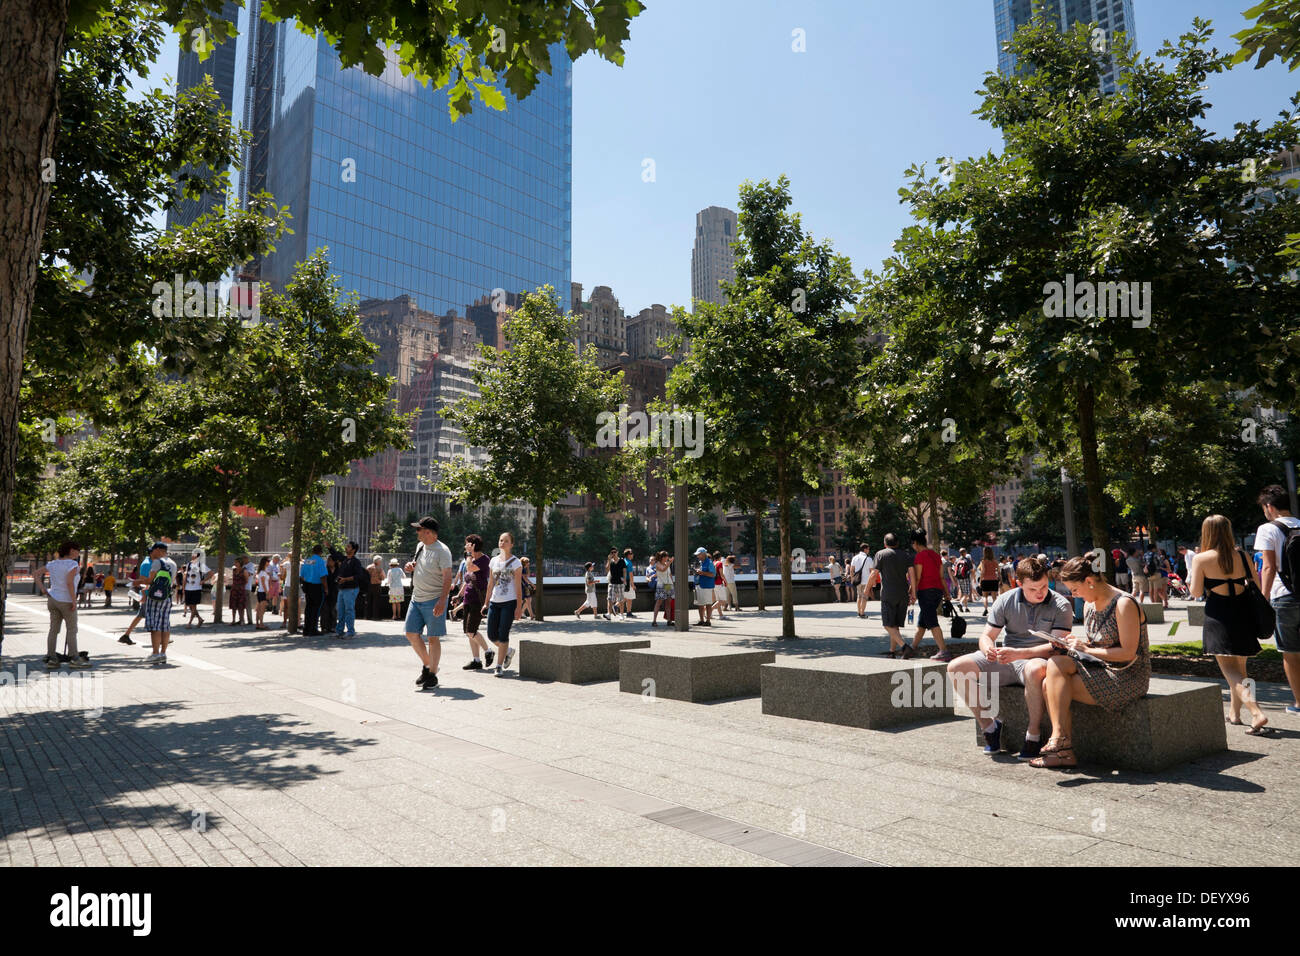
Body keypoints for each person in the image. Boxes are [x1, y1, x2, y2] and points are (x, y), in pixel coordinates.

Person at [947, 555, 1073, 760]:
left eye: (1043, 586)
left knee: (1036, 669)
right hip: (1006, 658)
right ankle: (989, 726)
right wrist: (988, 649)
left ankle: (1033, 734)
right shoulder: (1006, 599)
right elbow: (987, 635)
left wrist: (1018, 653)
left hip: (1036, 659)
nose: (1040, 592)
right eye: (1033, 589)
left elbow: (1055, 647)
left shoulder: (1061, 604)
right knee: (956, 667)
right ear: (1019, 583)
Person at [1031, 554, 1151, 768]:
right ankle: (1060, 741)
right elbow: (1097, 644)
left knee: (1050, 683)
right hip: (1102, 669)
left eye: (1075, 590)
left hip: (1128, 676)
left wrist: (1086, 648)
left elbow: (1127, 653)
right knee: (1054, 667)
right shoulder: (1089, 606)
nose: (1074, 596)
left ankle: (1062, 746)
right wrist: (1075, 644)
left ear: (1090, 582)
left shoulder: (1123, 604)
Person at [1188, 515, 1270, 734]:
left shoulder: (1201, 559)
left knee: (1231, 673)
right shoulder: (1242, 556)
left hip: (1218, 615)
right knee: (1241, 670)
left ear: (1207, 533)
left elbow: (1195, 592)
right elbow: (1257, 584)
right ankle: (1235, 714)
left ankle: (1256, 713)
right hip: (1243, 614)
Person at [1256, 484, 1300, 715]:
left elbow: (1269, 567)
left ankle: (1299, 703)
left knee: (1291, 653)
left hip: (1284, 596)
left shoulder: (1267, 529)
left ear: (1269, 506)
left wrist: (1263, 600)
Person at [405, 516, 454, 689]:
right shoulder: (421, 546)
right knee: (410, 633)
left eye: (418, 529)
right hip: (416, 598)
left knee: (433, 639)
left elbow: (448, 577)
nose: (416, 532)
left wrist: (442, 601)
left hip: (434, 599)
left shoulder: (443, 551)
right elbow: (419, 564)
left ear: (428, 532)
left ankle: (432, 676)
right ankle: (429, 665)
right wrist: (411, 566)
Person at [35, 542, 89, 670]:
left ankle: (52, 658)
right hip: (66, 600)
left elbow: (35, 573)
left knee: (53, 629)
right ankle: (74, 658)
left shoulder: (53, 564)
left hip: (53, 598)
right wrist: (74, 601)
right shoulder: (72, 564)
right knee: (71, 629)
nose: (78, 553)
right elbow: (70, 583)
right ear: (71, 550)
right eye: (77, 550)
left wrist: (43, 589)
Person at [483, 531, 523, 676]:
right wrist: (486, 603)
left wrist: (519, 607)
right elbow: (491, 583)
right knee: (492, 635)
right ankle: (508, 651)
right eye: (500, 540)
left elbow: (518, 587)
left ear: (511, 544)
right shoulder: (493, 561)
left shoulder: (516, 563)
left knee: (503, 634)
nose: (502, 543)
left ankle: (498, 666)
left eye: (506, 541)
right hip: (495, 601)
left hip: (509, 602)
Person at [906, 531, 950, 662]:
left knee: (931, 621)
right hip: (937, 591)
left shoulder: (919, 556)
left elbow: (918, 577)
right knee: (922, 622)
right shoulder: (936, 556)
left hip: (926, 591)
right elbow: (941, 577)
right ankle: (912, 648)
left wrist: (911, 592)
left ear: (915, 543)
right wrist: (946, 592)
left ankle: (943, 651)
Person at [871, 534, 912, 656]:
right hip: (903, 593)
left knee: (887, 624)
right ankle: (892, 651)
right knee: (895, 625)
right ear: (897, 543)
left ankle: (904, 647)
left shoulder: (881, 554)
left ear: (885, 544)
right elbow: (912, 575)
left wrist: (866, 590)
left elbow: (874, 574)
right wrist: (913, 591)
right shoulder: (906, 555)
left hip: (888, 594)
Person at [460, 535, 494, 669]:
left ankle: (488, 651)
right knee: (469, 632)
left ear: (473, 545)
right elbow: (468, 579)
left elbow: (470, 568)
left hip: (478, 600)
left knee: (471, 630)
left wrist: (468, 554)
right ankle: (476, 660)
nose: (465, 547)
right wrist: (459, 595)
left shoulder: (484, 560)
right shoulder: (472, 559)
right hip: (468, 598)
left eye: (467, 544)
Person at [142, 542, 178, 665]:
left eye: (153, 551)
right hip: (167, 597)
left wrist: (135, 582)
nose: (152, 553)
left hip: (155, 598)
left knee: (155, 625)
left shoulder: (158, 562)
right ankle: (163, 653)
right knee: (165, 625)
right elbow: (171, 582)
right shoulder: (173, 563)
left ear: (158, 550)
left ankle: (155, 653)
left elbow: (149, 580)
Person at [334, 541, 365, 639]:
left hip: (351, 589)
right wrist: (329, 547)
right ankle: (339, 631)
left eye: (348, 546)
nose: (346, 548)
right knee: (340, 610)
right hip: (342, 589)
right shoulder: (344, 559)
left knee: (349, 610)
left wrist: (345, 579)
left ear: (353, 550)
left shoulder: (356, 562)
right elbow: (335, 554)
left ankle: (350, 631)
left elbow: (359, 576)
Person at [299, 546, 327, 636]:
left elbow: (302, 575)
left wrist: (306, 584)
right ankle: (313, 629)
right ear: (321, 552)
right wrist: (326, 588)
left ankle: (306, 629)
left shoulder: (307, 560)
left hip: (308, 586)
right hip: (317, 587)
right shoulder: (320, 561)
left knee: (308, 608)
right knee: (316, 609)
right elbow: (323, 576)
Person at [179, 551, 207, 628]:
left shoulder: (201, 565)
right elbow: (185, 576)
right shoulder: (189, 564)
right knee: (191, 606)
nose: (192, 556)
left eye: (194, 555)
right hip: (188, 588)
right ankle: (200, 619)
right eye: (192, 555)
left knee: (193, 606)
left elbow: (211, 573)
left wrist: (203, 581)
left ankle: (189, 623)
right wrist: (184, 588)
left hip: (196, 588)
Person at [693, 547, 715, 625]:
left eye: (698, 554)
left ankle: (708, 621)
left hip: (707, 586)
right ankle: (701, 620)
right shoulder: (699, 562)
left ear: (703, 554)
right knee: (700, 604)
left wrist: (702, 573)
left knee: (708, 603)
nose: (697, 556)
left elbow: (713, 574)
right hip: (698, 585)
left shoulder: (709, 562)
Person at [851, 543, 873, 619]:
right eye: (868, 549)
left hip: (857, 580)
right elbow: (871, 571)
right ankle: (862, 613)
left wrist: (852, 579)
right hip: (866, 581)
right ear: (865, 549)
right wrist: (873, 582)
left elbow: (852, 570)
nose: (869, 550)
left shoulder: (855, 558)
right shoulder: (869, 559)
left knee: (859, 596)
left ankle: (859, 612)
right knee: (864, 597)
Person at [651, 551, 673, 625]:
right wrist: (669, 563)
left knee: (668, 602)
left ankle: (669, 620)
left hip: (668, 585)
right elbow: (663, 570)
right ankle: (654, 621)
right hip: (661, 585)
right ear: (663, 557)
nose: (667, 558)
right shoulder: (657, 564)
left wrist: (672, 584)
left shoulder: (667, 564)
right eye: (666, 557)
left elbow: (669, 574)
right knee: (659, 602)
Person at [977, 546, 999, 615]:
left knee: (984, 596)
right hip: (994, 580)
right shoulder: (995, 561)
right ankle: (995, 610)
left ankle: (985, 609)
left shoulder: (983, 561)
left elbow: (983, 572)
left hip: (985, 580)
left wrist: (980, 581)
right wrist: (1000, 579)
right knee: (994, 597)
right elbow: (998, 571)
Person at [605, 548, 625, 621]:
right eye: (612, 552)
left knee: (621, 599)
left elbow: (624, 570)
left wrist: (625, 579)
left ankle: (621, 614)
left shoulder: (621, 561)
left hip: (620, 582)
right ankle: (609, 614)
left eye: (615, 552)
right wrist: (608, 560)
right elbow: (607, 569)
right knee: (610, 598)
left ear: (617, 552)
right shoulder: (611, 561)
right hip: (612, 582)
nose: (613, 553)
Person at [230, 556, 249, 625]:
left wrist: (241, 585)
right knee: (233, 605)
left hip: (241, 590)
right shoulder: (234, 570)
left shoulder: (244, 570)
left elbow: (246, 580)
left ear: (240, 563)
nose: (235, 564)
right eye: (235, 562)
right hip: (234, 589)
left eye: (236, 562)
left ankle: (242, 620)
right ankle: (233, 620)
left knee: (241, 606)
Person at [254, 556, 272, 630]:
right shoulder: (262, 572)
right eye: (268, 561)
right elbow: (263, 584)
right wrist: (267, 592)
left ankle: (258, 624)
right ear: (265, 562)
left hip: (261, 591)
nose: (269, 562)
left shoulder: (263, 572)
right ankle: (261, 624)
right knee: (262, 609)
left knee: (259, 608)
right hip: (263, 592)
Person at [953, 548, 973, 612]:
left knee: (963, 593)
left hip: (959, 578)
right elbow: (971, 570)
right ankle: (960, 603)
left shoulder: (957, 560)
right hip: (966, 578)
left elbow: (954, 570)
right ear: (965, 552)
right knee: (966, 593)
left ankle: (966, 608)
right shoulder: (967, 560)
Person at [711, 551, 728, 621]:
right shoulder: (720, 563)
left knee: (718, 600)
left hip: (713, 583)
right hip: (719, 583)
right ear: (720, 557)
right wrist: (726, 582)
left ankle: (721, 615)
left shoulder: (713, 563)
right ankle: (709, 609)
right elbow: (721, 574)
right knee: (723, 601)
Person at [367, 555, 385, 621]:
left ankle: (367, 616)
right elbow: (383, 577)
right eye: (380, 561)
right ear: (378, 561)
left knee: (368, 601)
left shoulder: (368, 567)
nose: (381, 562)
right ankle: (375, 616)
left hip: (369, 586)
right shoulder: (379, 568)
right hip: (377, 585)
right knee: (376, 602)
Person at [520, 557, 536, 621]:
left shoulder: (524, 568)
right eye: (527, 562)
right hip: (522, 586)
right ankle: (519, 613)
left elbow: (528, 575)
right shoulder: (521, 569)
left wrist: (528, 568)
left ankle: (530, 615)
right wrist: (532, 585)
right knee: (522, 601)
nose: (528, 563)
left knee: (529, 600)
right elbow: (525, 578)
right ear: (524, 563)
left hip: (524, 586)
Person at [622, 549, 637, 618]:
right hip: (628, 582)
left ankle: (628, 612)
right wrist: (633, 585)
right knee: (629, 598)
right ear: (628, 555)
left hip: (623, 581)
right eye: (631, 553)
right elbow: (631, 574)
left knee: (626, 597)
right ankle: (616, 606)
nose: (632, 555)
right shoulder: (629, 563)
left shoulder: (623, 561)